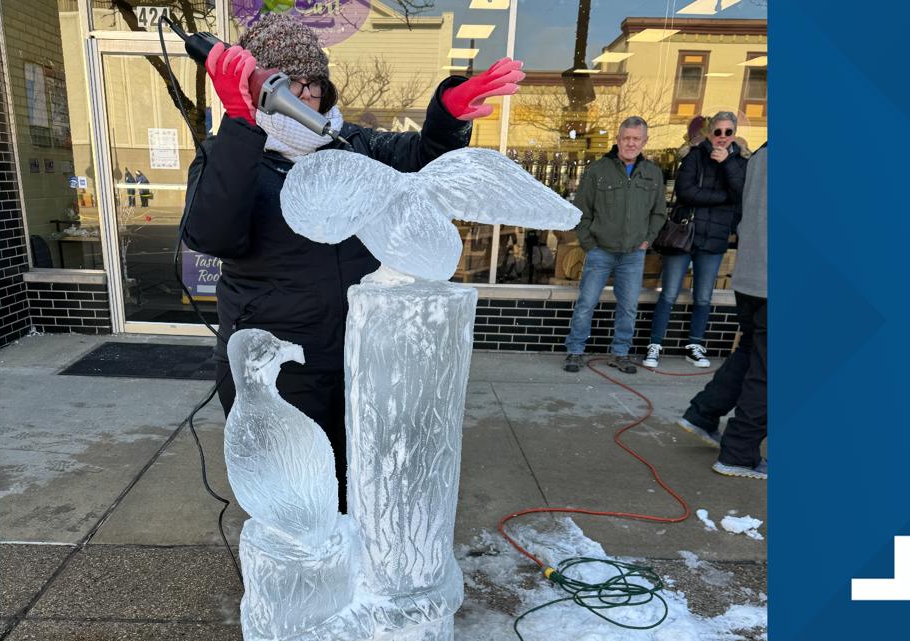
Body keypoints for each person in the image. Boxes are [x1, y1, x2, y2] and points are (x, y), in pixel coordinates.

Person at [181, 13, 524, 508]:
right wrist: (238, 124)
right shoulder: (231, 155)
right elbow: (211, 234)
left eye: (314, 83)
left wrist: (447, 116)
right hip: (280, 366)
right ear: (259, 86)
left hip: (360, 355)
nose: (305, 96)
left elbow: (421, 158)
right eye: (287, 83)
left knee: (360, 485)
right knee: (298, 497)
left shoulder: (353, 145)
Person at [676, 143, 767, 479]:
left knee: (750, 354)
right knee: (768, 372)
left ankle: (703, 413)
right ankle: (740, 453)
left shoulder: (758, 156)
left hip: (750, 276)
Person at [643, 111, 748, 369]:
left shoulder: (741, 162)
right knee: (668, 291)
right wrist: (723, 198)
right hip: (685, 235)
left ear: (734, 134)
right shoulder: (694, 156)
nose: (722, 138)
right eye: (717, 132)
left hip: (714, 239)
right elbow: (685, 192)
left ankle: (695, 344)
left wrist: (726, 164)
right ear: (710, 132)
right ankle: (655, 344)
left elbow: (741, 192)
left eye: (728, 132)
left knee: (703, 295)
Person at [562, 116, 666, 374]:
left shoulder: (652, 174)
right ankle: (575, 351)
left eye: (636, 139)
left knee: (628, 306)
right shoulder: (598, 170)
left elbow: (659, 213)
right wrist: (589, 244)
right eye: (626, 138)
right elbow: (582, 211)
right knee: (587, 302)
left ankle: (620, 353)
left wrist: (647, 240)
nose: (631, 143)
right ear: (618, 139)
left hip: (633, 253)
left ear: (644, 142)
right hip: (600, 251)